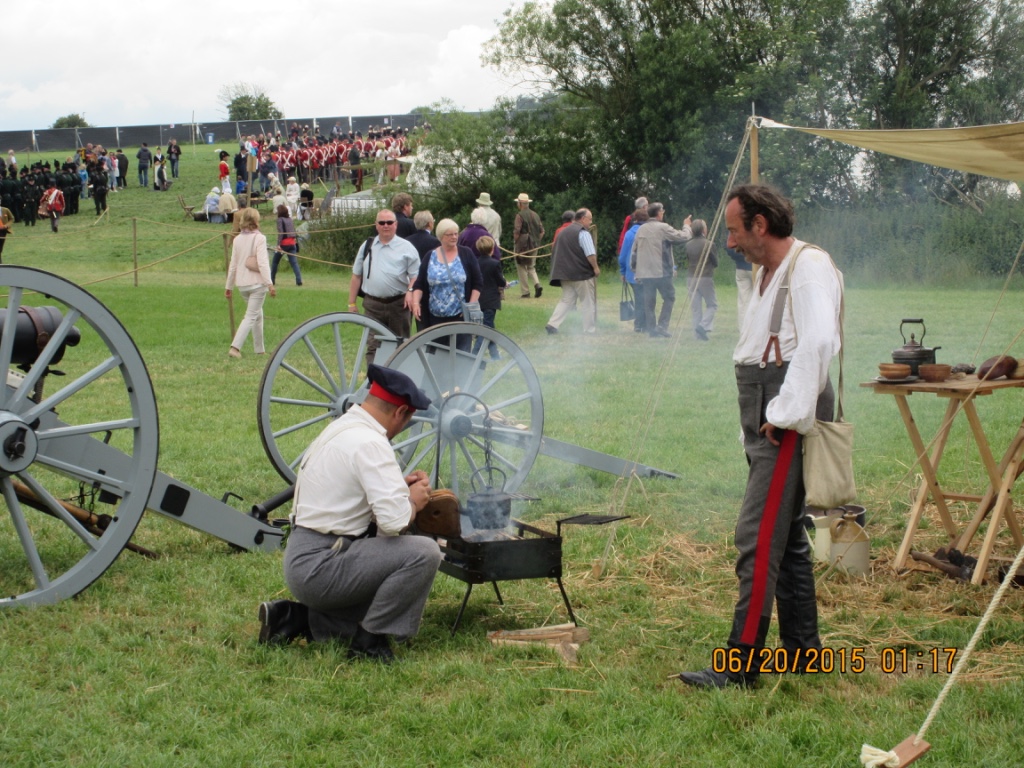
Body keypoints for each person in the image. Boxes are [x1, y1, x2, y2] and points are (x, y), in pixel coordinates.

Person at [676, 184, 843, 690]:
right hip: (767, 402)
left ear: (760, 226)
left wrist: (787, 413)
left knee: (757, 535)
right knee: (786, 534)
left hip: (786, 408)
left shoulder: (808, 265)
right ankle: (803, 652)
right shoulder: (768, 272)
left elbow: (817, 343)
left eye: (733, 230)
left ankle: (741, 666)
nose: (729, 242)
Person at [259, 364, 440, 662]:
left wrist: (396, 489)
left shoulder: (344, 427)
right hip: (324, 562)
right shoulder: (371, 442)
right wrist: (412, 502)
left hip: (304, 557)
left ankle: (294, 617)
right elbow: (394, 522)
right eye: (407, 419)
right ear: (400, 412)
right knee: (424, 553)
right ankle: (369, 644)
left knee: (386, 595)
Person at [347, 209, 421, 363]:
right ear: (376, 225)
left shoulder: (407, 247)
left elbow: (416, 276)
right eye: (382, 223)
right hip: (373, 305)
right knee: (373, 346)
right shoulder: (367, 246)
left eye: (389, 222)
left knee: (400, 346)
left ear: (396, 225)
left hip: (399, 305)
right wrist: (352, 303)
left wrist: (410, 291)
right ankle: (373, 383)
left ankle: (397, 384)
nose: (385, 226)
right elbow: (356, 275)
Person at [411, 218, 483, 352]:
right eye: (449, 234)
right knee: (436, 357)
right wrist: (415, 303)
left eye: (456, 233)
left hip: (460, 317)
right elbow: (419, 284)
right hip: (434, 319)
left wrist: (470, 306)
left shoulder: (466, 253)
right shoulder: (429, 256)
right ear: (440, 236)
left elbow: (478, 283)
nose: (454, 237)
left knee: (461, 357)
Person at [630, 203, 691, 338]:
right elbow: (683, 237)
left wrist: (635, 269)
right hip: (662, 272)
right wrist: (686, 225)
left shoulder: (641, 229)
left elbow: (634, 251)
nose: (663, 213)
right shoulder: (663, 228)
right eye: (662, 211)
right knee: (669, 297)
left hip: (645, 273)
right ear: (659, 214)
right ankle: (662, 326)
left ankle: (652, 330)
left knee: (649, 303)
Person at [224, 207, 276, 358]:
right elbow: (263, 263)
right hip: (257, 285)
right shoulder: (260, 238)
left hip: (242, 285)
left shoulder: (237, 239)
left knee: (257, 315)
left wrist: (229, 286)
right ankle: (235, 347)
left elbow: (233, 265)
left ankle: (259, 349)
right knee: (251, 316)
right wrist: (270, 284)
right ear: (255, 221)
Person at [545, 208, 599, 335]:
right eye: (589, 219)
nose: (591, 222)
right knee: (587, 302)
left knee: (566, 300)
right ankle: (589, 330)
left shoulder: (562, 232)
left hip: (564, 274)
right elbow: (590, 254)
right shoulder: (583, 233)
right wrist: (595, 267)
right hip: (581, 274)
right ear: (582, 219)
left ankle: (553, 324)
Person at [471, 235, 507, 360]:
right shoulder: (495, 263)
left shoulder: (475, 263)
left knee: (489, 326)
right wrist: (505, 283)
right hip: (491, 300)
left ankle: (495, 355)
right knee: (485, 330)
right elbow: (500, 281)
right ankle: (474, 355)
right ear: (492, 249)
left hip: (478, 299)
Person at [684, 219, 718, 341]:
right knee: (712, 304)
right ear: (704, 230)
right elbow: (715, 262)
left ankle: (698, 335)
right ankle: (703, 327)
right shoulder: (709, 244)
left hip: (691, 277)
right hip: (705, 277)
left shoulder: (688, 244)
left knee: (696, 308)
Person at [618, 208, 649, 333]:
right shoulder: (649, 232)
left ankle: (639, 325)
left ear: (635, 219)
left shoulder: (629, 234)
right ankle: (644, 324)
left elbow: (623, 255)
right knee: (646, 298)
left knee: (639, 298)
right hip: (648, 271)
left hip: (632, 272)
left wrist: (622, 271)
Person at [512, 192, 544, 298]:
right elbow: (542, 231)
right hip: (535, 245)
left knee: (521, 266)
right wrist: (536, 241)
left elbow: (517, 231)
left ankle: (525, 292)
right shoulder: (536, 215)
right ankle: (537, 284)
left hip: (523, 246)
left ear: (520, 204)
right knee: (531, 266)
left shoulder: (519, 215)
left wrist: (516, 242)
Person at [272, 204, 303, 286]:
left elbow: (281, 233)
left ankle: (272, 280)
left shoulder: (280, 220)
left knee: (275, 262)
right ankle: (299, 280)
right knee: (294, 263)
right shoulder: (290, 219)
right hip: (292, 243)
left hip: (284, 244)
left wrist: (278, 245)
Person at [729, 242, 754, 331]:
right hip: (756, 266)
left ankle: (743, 330)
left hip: (741, 268)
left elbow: (729, 248)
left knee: (743, 302)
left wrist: (739, 258)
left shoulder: (736, 229)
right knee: (762, 298)